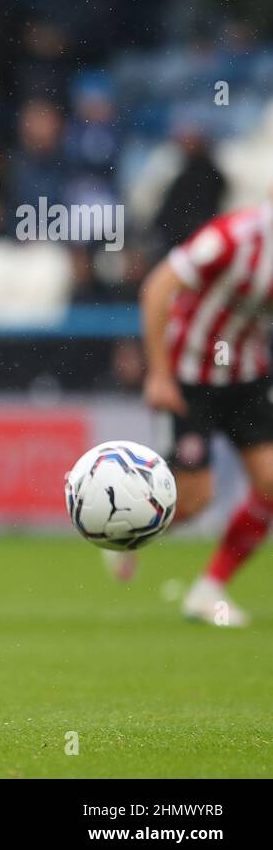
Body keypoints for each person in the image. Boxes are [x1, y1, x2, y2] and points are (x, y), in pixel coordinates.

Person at [131, 198, 273, 627]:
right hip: (190, 375)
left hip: (246, 377)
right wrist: (159, 375)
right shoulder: (232, 237)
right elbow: (157, 289)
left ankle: (209, 589)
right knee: (193, 500)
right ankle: (122, 525)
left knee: (271, 484)